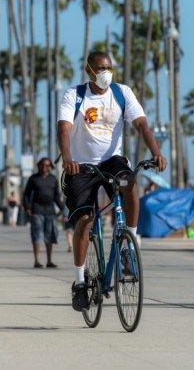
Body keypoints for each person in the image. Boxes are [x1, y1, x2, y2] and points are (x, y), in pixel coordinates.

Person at [57, 50, 167, 311]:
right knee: (85, 221)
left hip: (111, 161)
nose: (106, 72)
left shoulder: (122, 93)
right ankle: (80, 282)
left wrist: (156, 152)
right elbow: (64, 129)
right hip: (81, 165)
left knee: (130, 185)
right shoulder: (74, 95)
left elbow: (141, 125)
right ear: (89, 71)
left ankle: (131, 244)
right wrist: (68, 158)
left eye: (109, 67)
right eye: (100, 68)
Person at [23, 158, 64, 268]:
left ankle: (49, 261)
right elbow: (26, 195)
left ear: (50, 167)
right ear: (38, 166)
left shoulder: (53, 179)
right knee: (37, 236)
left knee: (49, 236)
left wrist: (63, 209)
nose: (44, 167)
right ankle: (37, 261)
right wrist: (27, 207)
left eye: (47, 165)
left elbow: (57, 197)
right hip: (37, 211)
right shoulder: (33, 179)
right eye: (42, 165)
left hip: (50, 211)